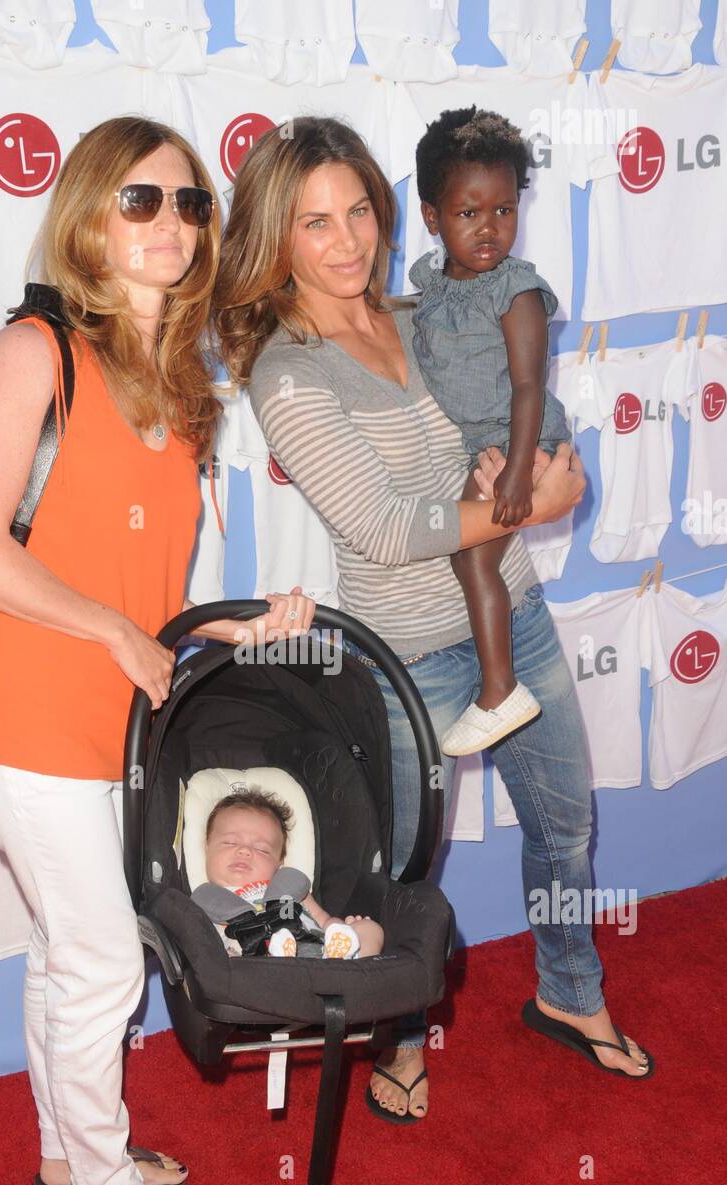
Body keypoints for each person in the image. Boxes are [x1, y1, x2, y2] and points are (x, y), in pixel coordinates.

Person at [213, 115, 653, 1123]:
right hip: (407, 658)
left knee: (567, 826)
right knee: (404, 868)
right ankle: (398, 1034)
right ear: (276, 237)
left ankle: (567, 991)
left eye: (356, 211)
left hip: (517, 614)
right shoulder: (290, 371)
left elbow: (509, 405)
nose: (344, 242)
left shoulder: (423, 312)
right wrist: (528, 506)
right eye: (312, 222)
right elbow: (382, 524)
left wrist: (548, 467)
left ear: (384, 208)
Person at [0, 116, 316, 1185]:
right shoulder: (33, 352)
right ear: (90, 217)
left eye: (190, 202)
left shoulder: (177, 380)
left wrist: (234, 621)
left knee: (67, 950)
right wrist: (113, 628)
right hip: (26, 712)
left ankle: (67, 1146)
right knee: (104, 956)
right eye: (140, 200)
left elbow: (138, 587)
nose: (171, 223)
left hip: (117, 723)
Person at [409, 105, 573, 758]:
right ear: (433, 217)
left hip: (522, 442)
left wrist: (516, 466)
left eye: (504, 211)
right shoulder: (432, 287)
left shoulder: (517, 290)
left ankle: (498, 688)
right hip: (486, 448)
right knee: (465, 555)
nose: (489, 229)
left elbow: (530, 386)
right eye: (468, 213)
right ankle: (499, 683)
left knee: (471, 556)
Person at [192, 788, 384, 959]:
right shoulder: (206, 904)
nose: (245, 851)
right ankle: (279, 957)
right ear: (207, 848)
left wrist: (340, 927)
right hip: (256, 963)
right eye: (230, 843)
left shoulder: (288, 887)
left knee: (371, 929)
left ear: (279, 862)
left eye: (262, 849)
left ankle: (344, 960)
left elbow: (324, 920)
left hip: (319, 952)